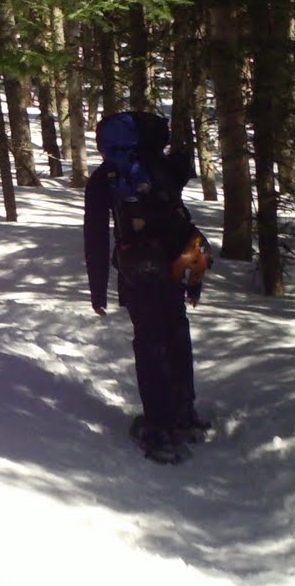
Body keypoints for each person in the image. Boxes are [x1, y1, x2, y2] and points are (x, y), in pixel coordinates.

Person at [83, 110, 212, 464]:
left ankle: (159, 430)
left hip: (138, 271)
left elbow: (94, 236)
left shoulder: (105, 178)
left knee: (151, 343)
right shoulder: (163, 167)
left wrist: (98, 288)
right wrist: (194, 278)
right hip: (176, 262)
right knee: (176, 334)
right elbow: (180, 216)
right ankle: (184, 416)